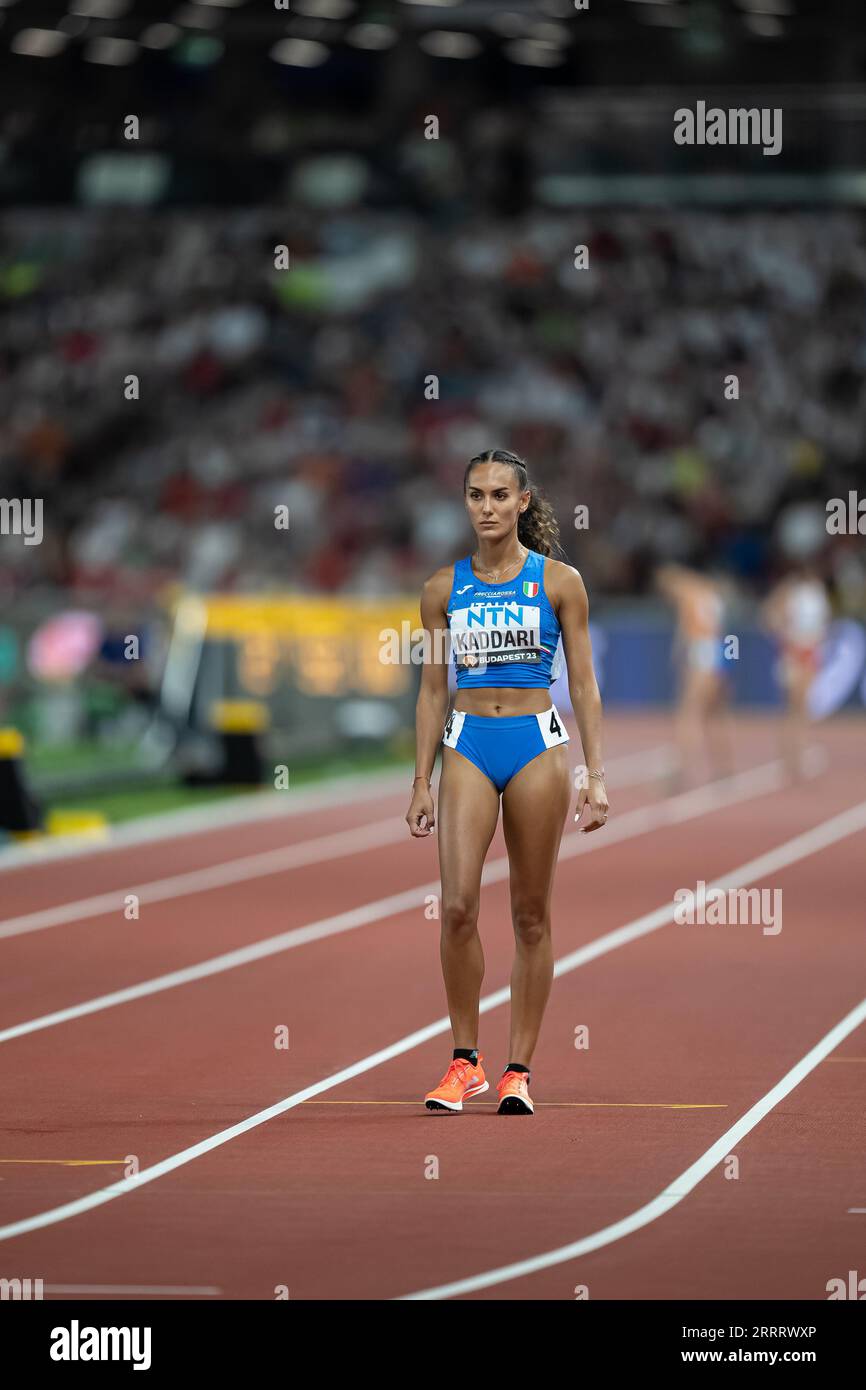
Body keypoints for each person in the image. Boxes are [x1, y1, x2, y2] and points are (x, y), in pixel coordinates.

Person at [406, 449, 608, 1116]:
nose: (486, 507)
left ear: (523, 501)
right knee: (458, 905)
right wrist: (420, 780)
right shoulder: (442, 588)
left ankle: (518, 1070)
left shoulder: (560, 583)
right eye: (475, 495)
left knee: (529, 913)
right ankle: (465, 1061)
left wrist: (596, 774)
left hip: (536, 746)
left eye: (498, 495)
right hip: (468, 743)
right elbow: (433, 691)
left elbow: (582, 682)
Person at [654, 561, 734, 789]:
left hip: (702, 652)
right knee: (715, 714)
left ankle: (681, 772)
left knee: (688, 713)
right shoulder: (709, 589)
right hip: (717, 650)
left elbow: (688, 630)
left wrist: (679, 655)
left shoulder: (686, 594)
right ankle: (724, 769)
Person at [761, 563, 830, 779]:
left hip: (810, 651)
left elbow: (823, 625)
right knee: (793, 707)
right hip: (794, 651)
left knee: (802, 708)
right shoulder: (791, 593)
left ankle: (798, 756)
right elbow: (769, 618)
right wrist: (784, 638)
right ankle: (789, 760)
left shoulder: (818, 594)